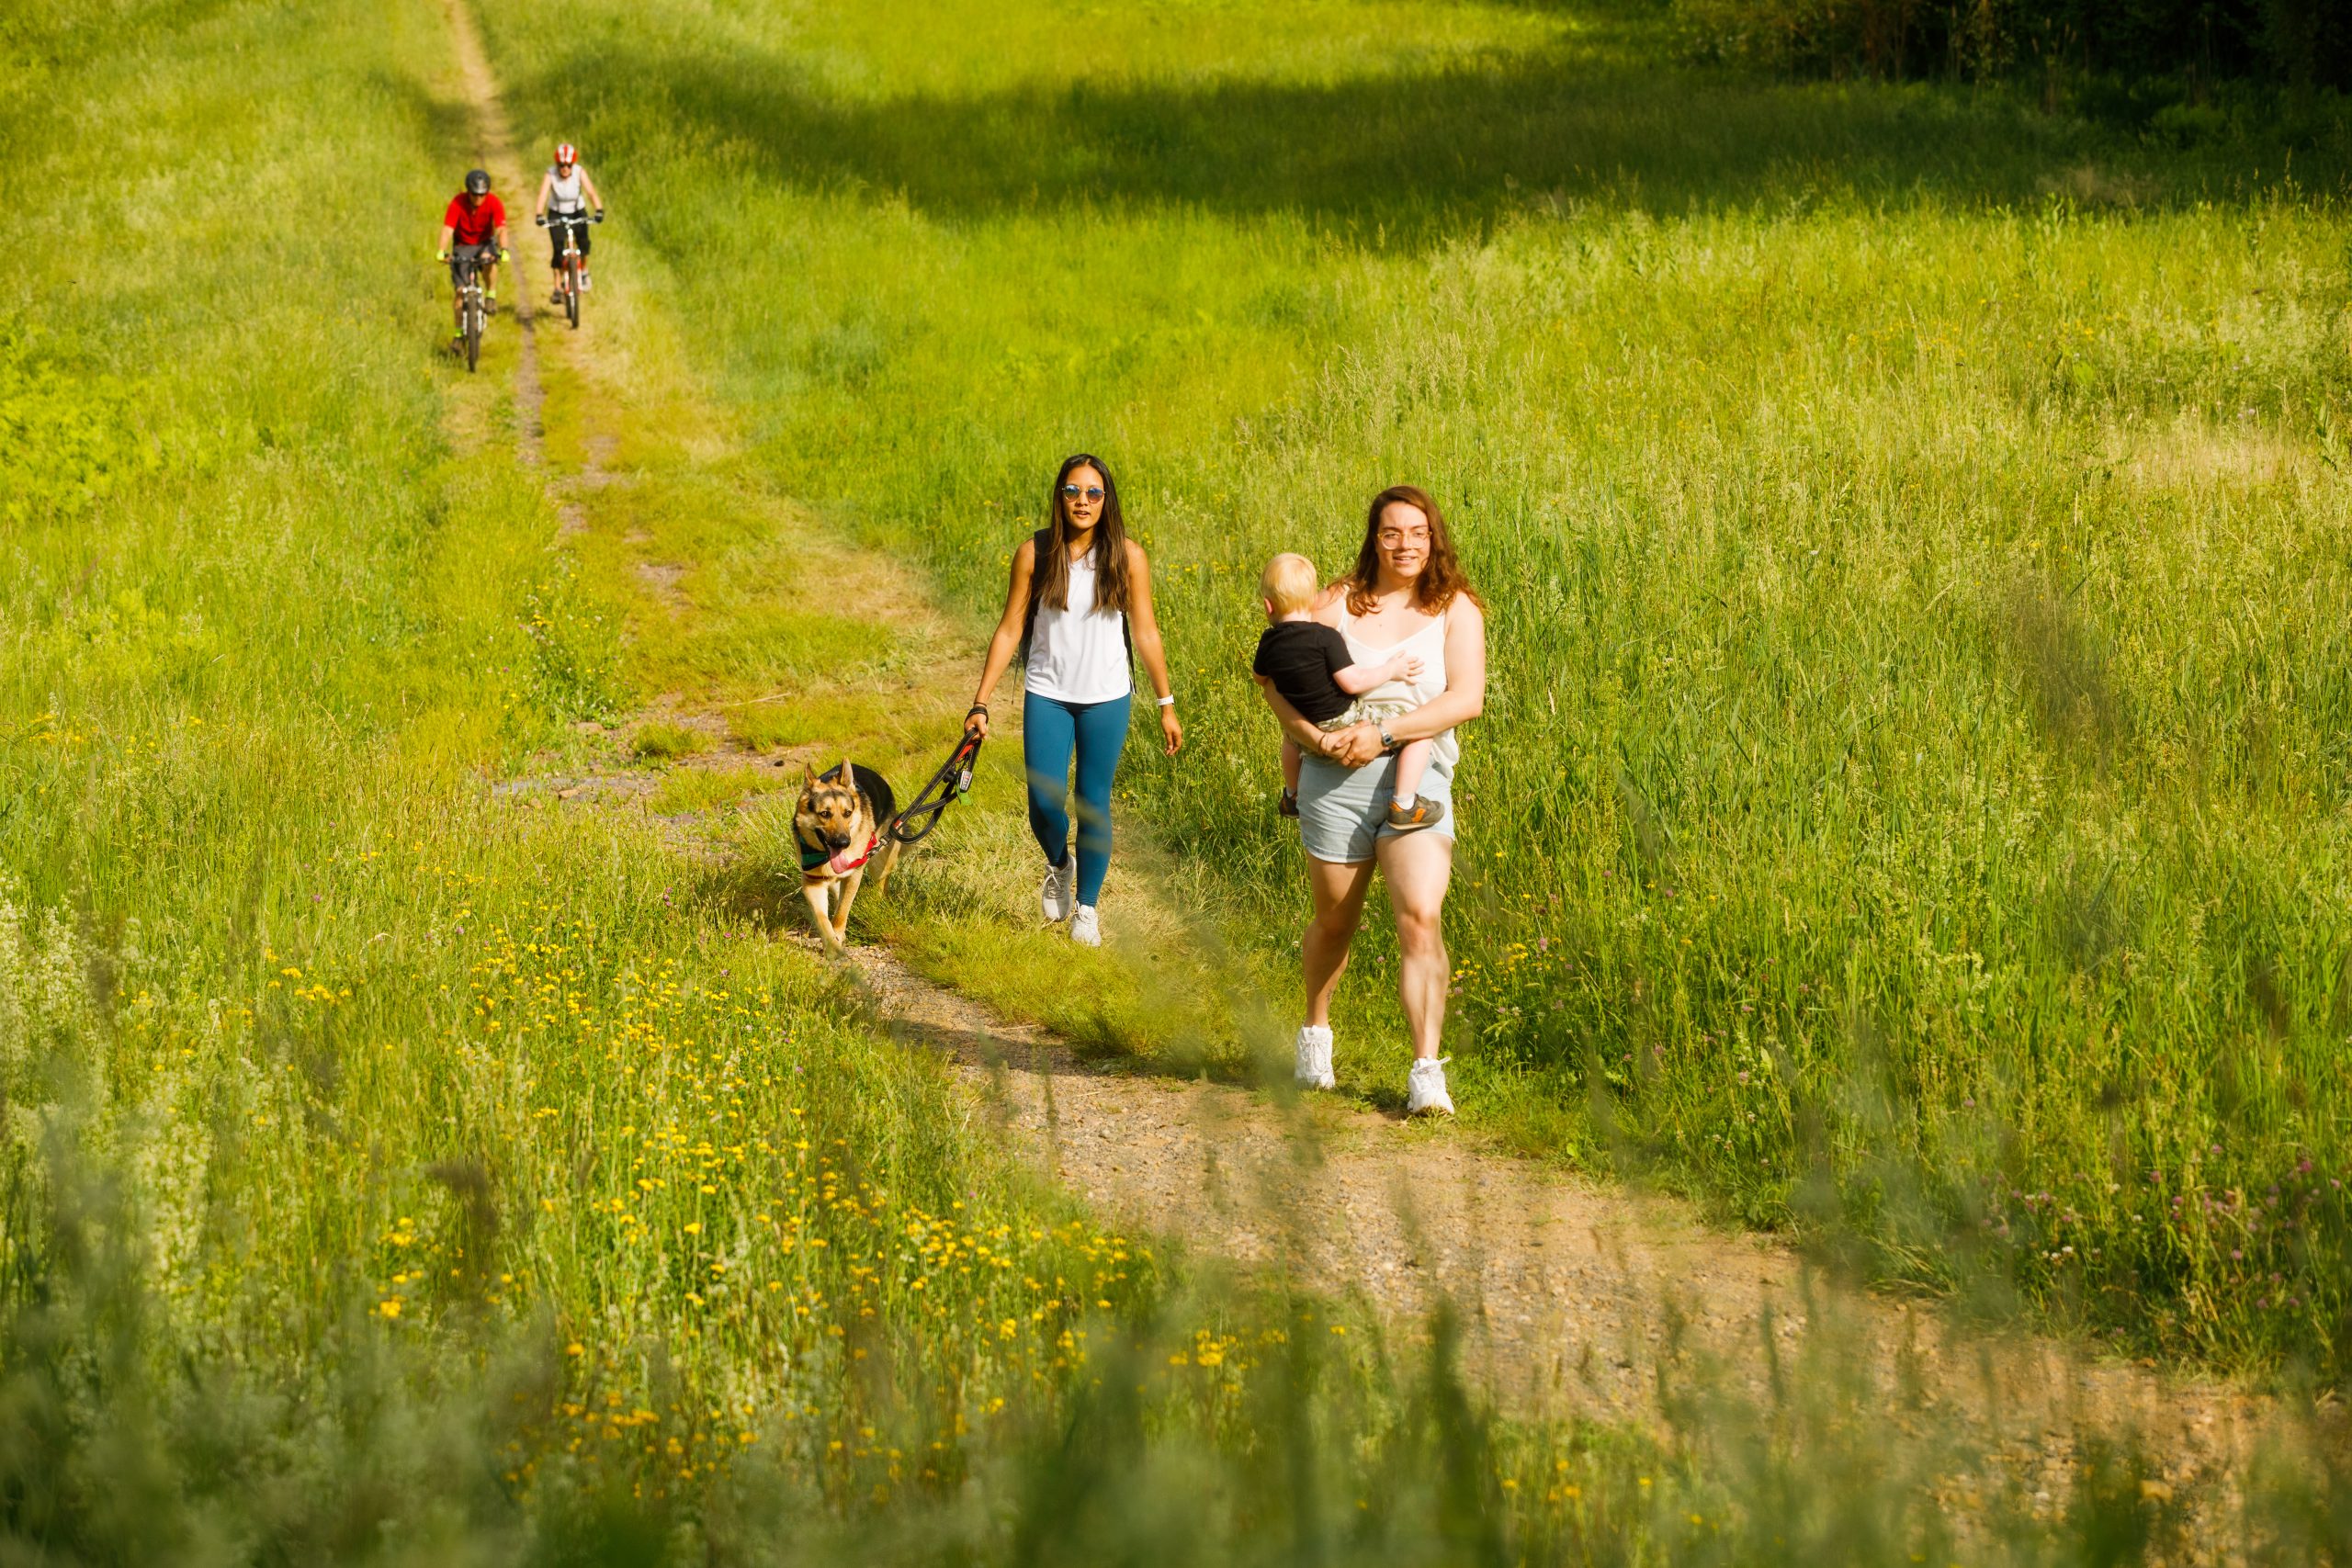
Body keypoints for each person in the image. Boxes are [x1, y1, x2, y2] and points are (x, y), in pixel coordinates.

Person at [1253, 485, 1486, 1114]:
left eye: (1417, 532)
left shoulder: (1456, 608)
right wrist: (1313, 738)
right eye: (1391, 532)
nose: (1405, 544)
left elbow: (1466, 699)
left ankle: (1426, 1072)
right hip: (1336, 779)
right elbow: (1273, 675)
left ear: (1433, 538)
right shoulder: (1334, 603)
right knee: (1335, 922)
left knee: (1420, 917)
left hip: (1418, 772)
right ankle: (1316, 1032)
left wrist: (1381, 732)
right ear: (1373, 538)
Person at [966, 454, 1182, 948]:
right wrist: (980, 702)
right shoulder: (1035, 553)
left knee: (1093, 804)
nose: (1082, 501)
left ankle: (1087, 908)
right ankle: (1060, 864)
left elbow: (1145, 633)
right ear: (1059, 497)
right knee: (1043, 802)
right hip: (1049, 693)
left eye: (1093, 493)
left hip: (1106, 697)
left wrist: (1165, 703)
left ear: (1107, 500)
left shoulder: (1128, 557)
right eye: (1072, 492)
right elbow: (1009, 629)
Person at [1252, 551, 1442, 830]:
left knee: (1289, 738)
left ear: (1268, 606)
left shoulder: (1268, 643)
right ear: (1314, 600)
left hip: (1307, 734)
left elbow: (1260, 679)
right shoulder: (1325, 637)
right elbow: (1354, 682)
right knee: (1419, 727)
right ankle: (1404, 803)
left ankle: (1292, 796)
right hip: (1346, 722)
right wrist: (1392, 669)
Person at [435, 169, 508, 344]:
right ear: (468, 191)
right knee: (461, 292)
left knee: (490, 259)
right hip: (463, 246)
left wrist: (504, 249)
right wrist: (441, 250)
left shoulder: (494, 202)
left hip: (484, 243)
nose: (478, 198)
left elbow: (501, 229)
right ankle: (459, 335)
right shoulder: (458, 203)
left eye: (482, 195)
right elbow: (447, 229)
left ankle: (491, 296)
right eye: (474, 194)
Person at [533, 142, 605, 302]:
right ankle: (557, 288)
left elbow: (591, 192)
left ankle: (584, 271)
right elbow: (543, 196)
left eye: (568, 165)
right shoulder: (550, 174)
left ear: (573, 164)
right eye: (561, 165)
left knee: (584, 243)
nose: (565, 168)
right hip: (556, 212)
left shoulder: (579, 172)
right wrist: (539, 214)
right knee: (558, 249)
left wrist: (599, 209)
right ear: (557, 164)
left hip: (577, 210)